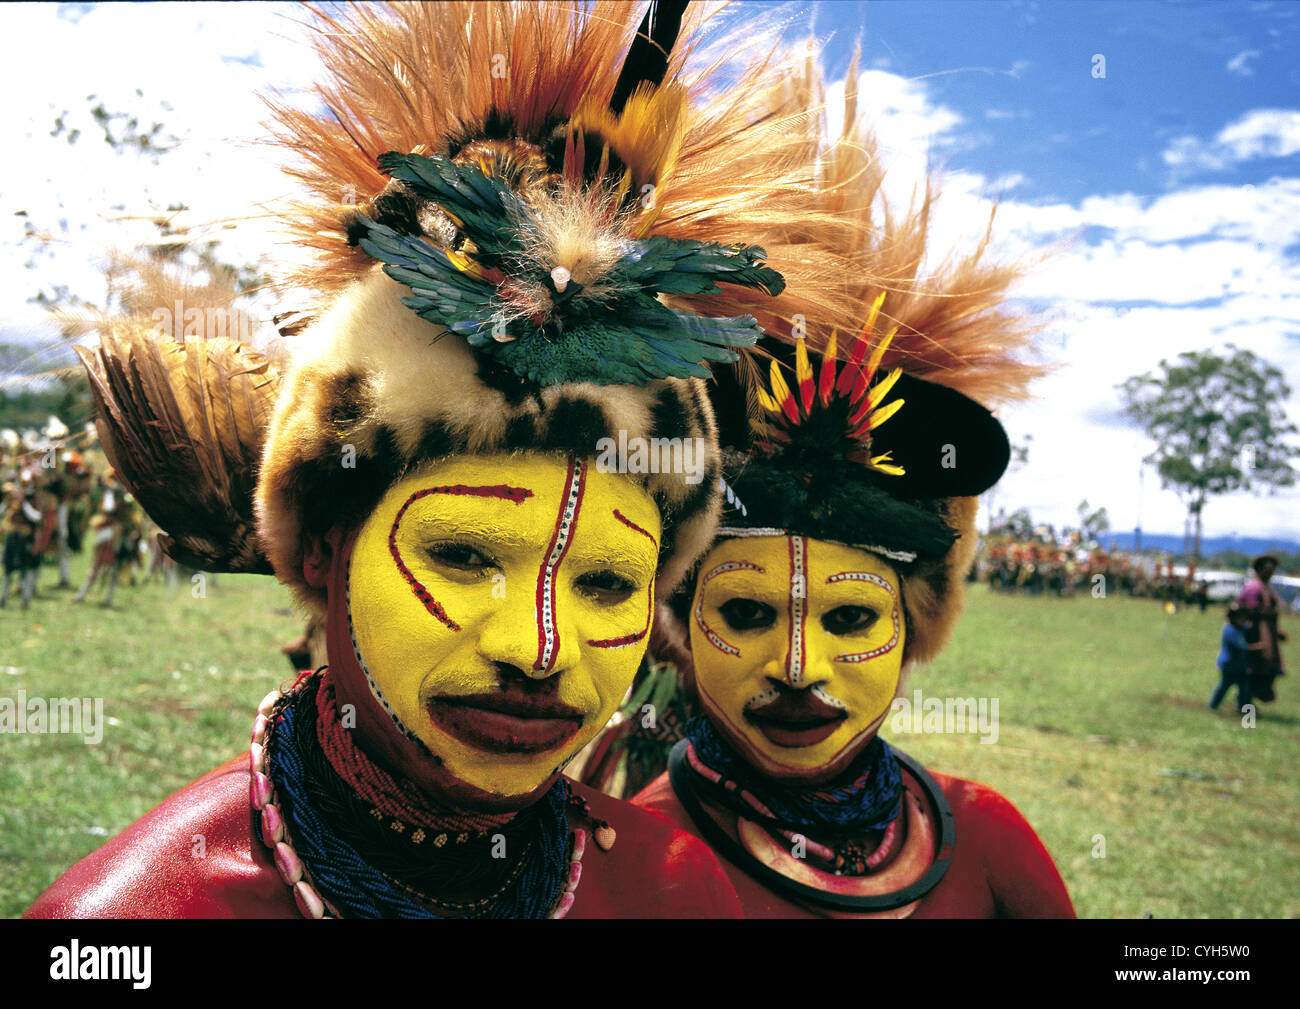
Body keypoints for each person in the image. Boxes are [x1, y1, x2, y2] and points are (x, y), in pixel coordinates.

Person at [24, 0, 835, 919]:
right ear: (325, 546)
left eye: (607, 584)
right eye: (464, 553)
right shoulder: (138, 918)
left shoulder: (672, 892)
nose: (539, 648)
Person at [615, 53, 1073, 918]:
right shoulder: (639, 868)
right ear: (679, 621)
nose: (798, 668)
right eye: (746, 612)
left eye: (853, 616)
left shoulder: (988, 837)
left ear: (916, 629)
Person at [1236, 554, 1287, 702]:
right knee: (1256, 668)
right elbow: (1249, 610)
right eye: (1267, 570)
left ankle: (1251, 699)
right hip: (1256, 633)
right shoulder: (1253, 587)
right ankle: (1246, 705)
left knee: (1266, 667)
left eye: (1272, 570)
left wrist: (1276, 631)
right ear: (1259, 570)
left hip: (1267, 632)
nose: (1270, 573)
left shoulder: (1266, 588)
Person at [1208, 607, 1256, 712]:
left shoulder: (1240, 627)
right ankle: (1212, 705)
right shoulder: (1230, 631)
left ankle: (1242, 707)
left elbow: (1248, 627)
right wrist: (1261, 646)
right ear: (1233, 618)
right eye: (1240, 617)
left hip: (1239, 665)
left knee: (1244, 687)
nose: (1243, 619)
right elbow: (1243, 646)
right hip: (1229, 665)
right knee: (1224, 685)